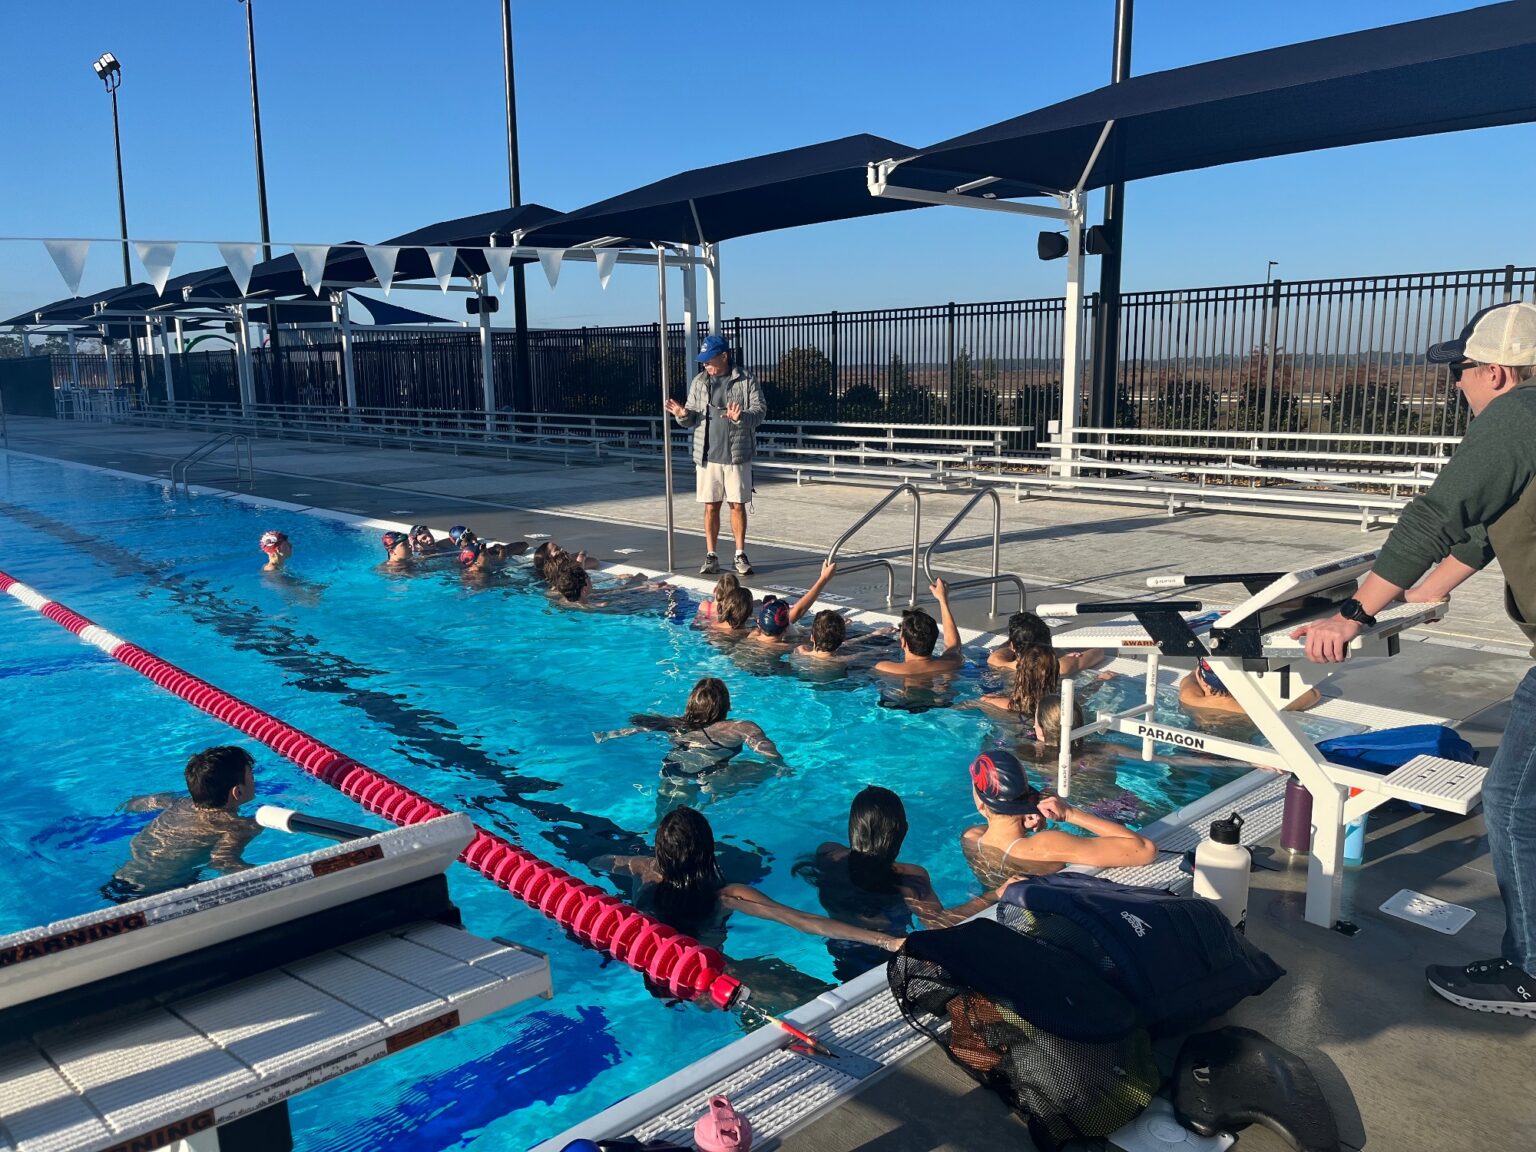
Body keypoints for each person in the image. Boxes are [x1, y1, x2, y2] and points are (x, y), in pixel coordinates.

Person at [1289, 302, 1536, 1017]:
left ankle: (1528, 977)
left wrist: (1356, 611)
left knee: (1512, 803)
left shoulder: (1515, 417)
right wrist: (1414, 603)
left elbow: (1438, 514)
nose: (1457, 385)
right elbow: (1480, 536)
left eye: (1461, 371)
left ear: (1496, 371)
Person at [589, 806, 902, 955]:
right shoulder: (727, 896)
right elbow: (801, 920)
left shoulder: (639, 868)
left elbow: (599, 862)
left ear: (661, 849)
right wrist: (886, 940)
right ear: (707, 848)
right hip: (704, 972)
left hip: (649, 959)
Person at [796, 787, 1003, 978]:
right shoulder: (909, 877)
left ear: (853, 827)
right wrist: (994, 894)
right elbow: (939, 923)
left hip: (844, 952)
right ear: (904, 829)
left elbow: (850, 855)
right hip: (894, 956)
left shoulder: (828, 856)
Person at [960, 749, 1156, 885]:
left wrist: (1023, 824)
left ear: (981, 805)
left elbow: (1002, 836)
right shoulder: (1045, 845)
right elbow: (1144, 850)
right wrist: (1070, 814)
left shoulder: (971, 838)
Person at [663, 333, 766, 577]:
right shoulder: (700, 382)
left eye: (710, 360)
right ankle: (712, 555)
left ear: (724, 356)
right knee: (711, 506)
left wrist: (740, 417)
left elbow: (759, 413)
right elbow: (690, 419)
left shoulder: (745, 379)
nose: (706, 365)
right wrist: (681, 414)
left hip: (737, 454)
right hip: (707, 455)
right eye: (704, 361)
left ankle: (740, 553)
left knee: (737, 505)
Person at [105, 746, 262, 901]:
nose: (254, 780)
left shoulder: (178, 803)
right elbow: (222, 861)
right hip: (155, 894)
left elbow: (135, 804)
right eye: (251, 776)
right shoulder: (238, 826)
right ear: (237, 792)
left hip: (121, 879)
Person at [604, 676, 782, 776]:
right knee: (767, 769)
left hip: (673, 770)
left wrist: (605, 736)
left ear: (691, 704)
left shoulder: (672, 724)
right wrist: (782, 766)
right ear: (727, 705)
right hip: (714, 776)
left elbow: (634, 729)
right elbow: (767, 751)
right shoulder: (741, 727)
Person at [874, 578, 965, 677]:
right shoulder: (953, 662)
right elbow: (953, 645)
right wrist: (943, 600)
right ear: (934, 640)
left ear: (903, 642)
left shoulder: (885, 668)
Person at [1178, 658, 1319, 718]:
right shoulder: (1254, 707)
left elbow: (1191, 677)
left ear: (1202, 681)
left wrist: (1203, 670)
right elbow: (1313, 694)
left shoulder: (1189, 698)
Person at [987, 610, 1106, 677]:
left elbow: (1008, 646)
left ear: (1013, 645)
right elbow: (1098, 652)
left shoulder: (996, 661)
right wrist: (1061, 654)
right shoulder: (1059, 667)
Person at [747, 561, 837, 647]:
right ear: (787, 629)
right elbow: (822, 643)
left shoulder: (752, 635)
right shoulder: (791, 646)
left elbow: (798, 611)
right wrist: (824, 578)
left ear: (758, 623)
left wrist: (823, 578)